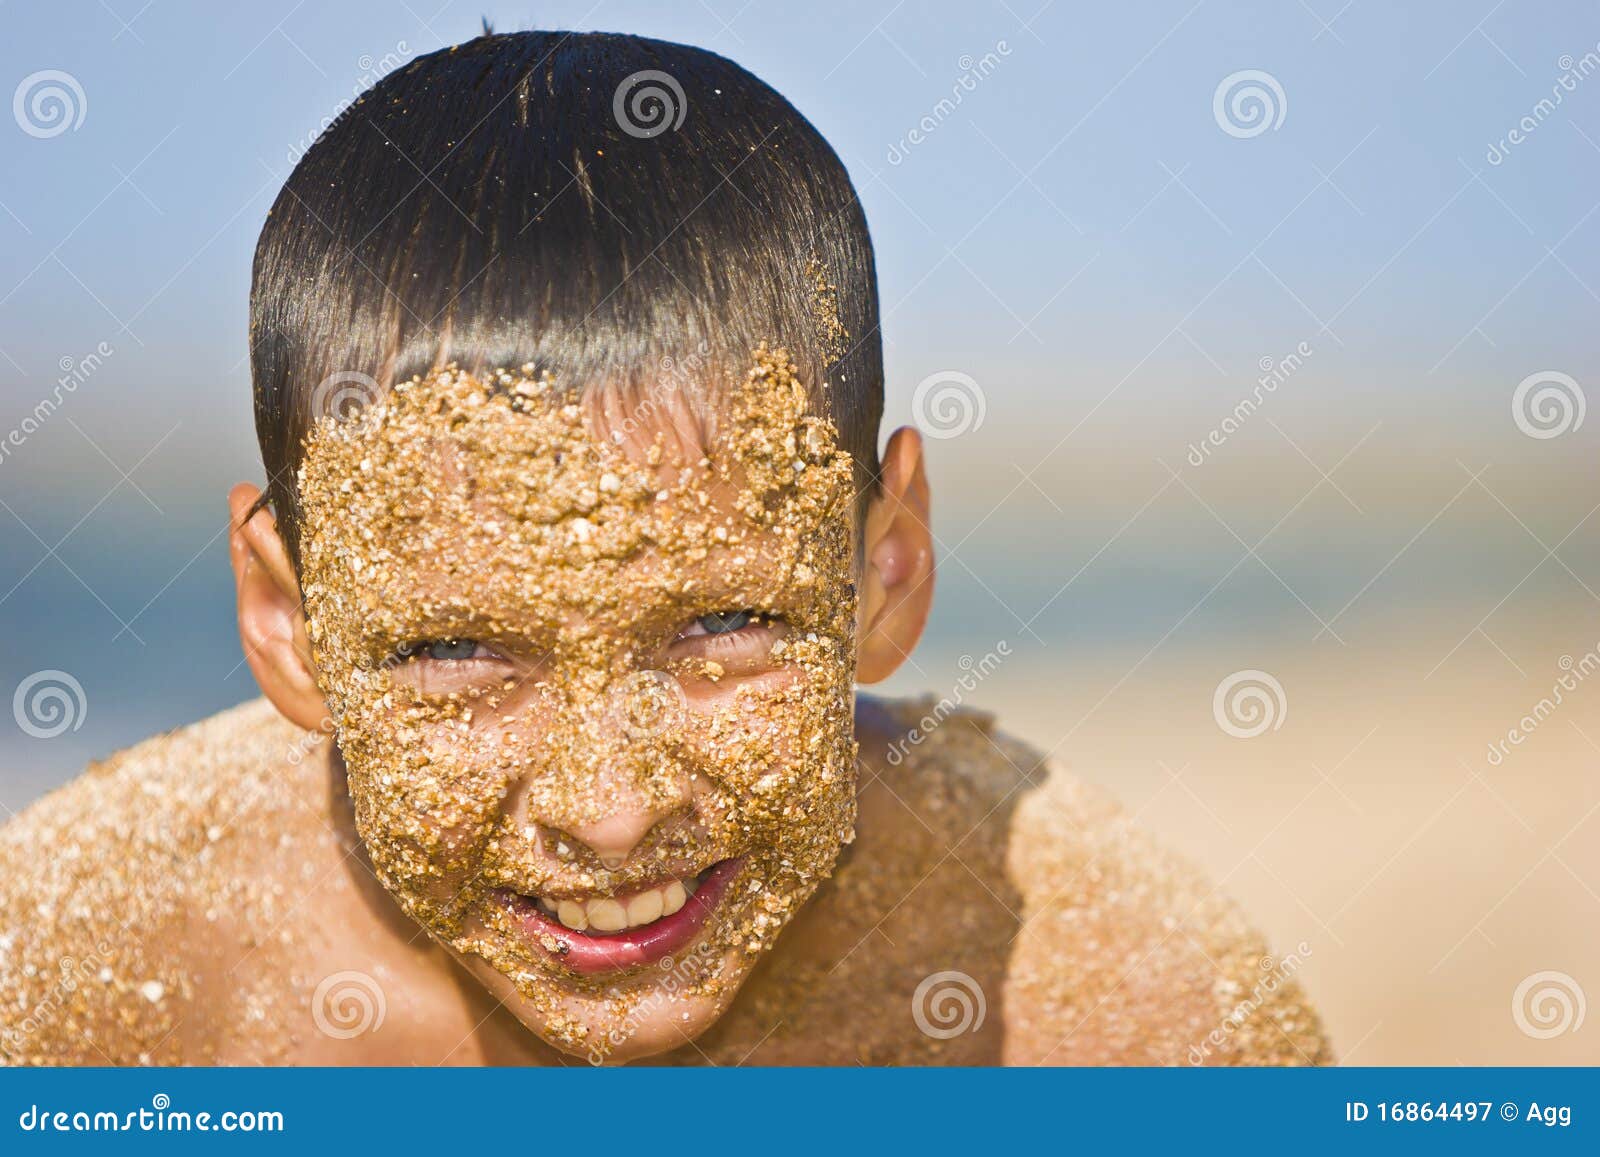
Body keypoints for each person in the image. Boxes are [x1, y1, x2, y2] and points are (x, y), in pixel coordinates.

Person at [0, 30, 1330, 1067]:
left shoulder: (1112, 1022)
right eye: (461, 651)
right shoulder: (80, 994)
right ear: (289, 618)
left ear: (883, 568)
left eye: (725, 628)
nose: (611, 806)